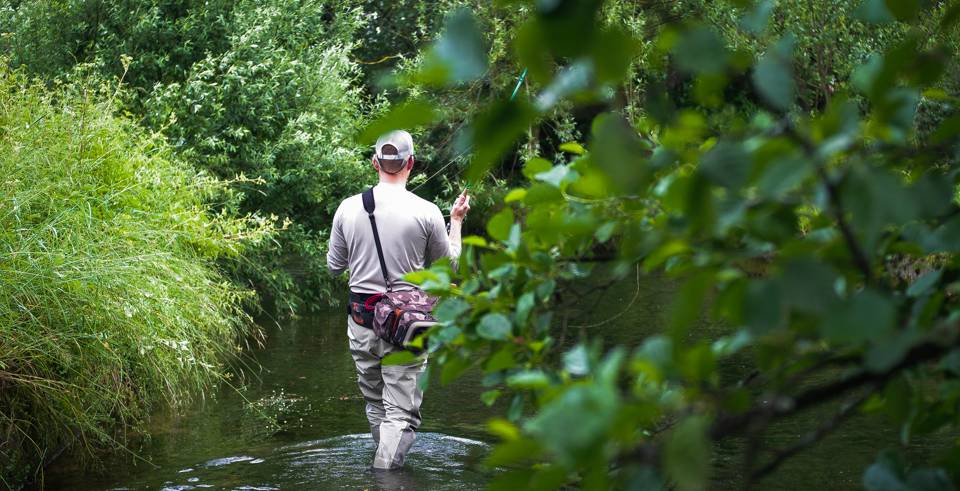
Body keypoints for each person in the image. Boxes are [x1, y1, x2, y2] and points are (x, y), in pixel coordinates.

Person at [326, 129, 470, 470]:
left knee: (376, 404)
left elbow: (334, 266)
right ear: (411, 164)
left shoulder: (347, 208)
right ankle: (385, 476)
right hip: (406, 325)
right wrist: (457, 222)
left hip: (361, 322)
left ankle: (383, 462)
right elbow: (448, 267)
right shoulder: (427, 211)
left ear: (375, 163)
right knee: (401, 413)